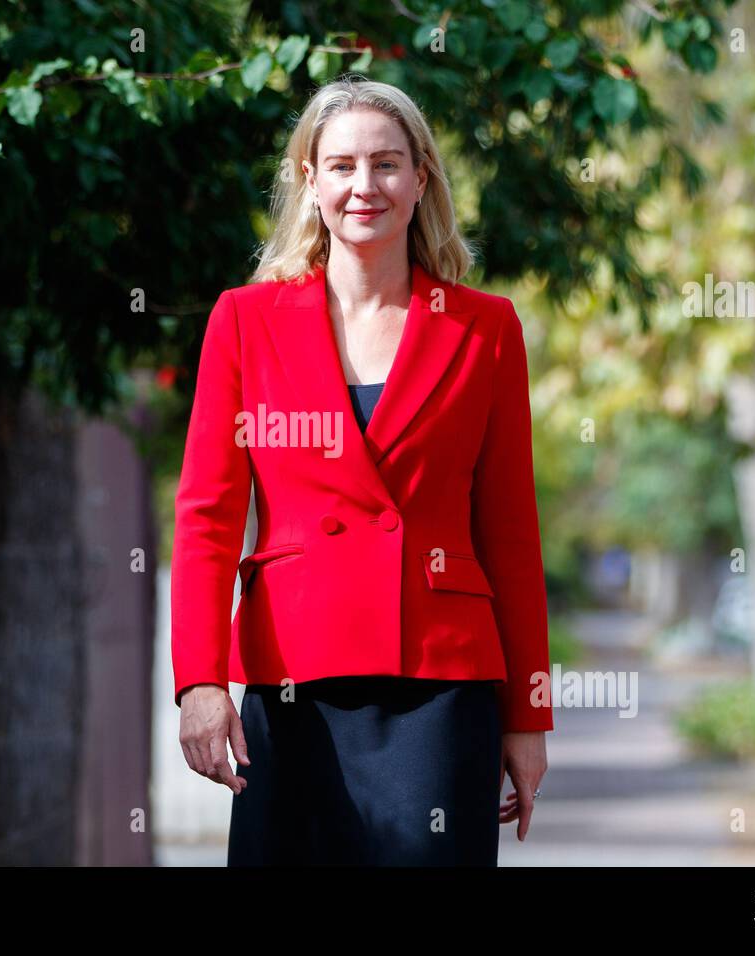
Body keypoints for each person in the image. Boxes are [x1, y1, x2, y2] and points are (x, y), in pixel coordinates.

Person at [171, 75, 552, 866]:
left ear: (422, 179)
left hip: (441, 684)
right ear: (310, 181)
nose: (364, 186)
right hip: (291, 678)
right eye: (341, 166)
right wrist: (200, 683)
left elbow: (510, 533)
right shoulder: (244, 321)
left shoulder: (486, 329)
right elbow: (207, 517)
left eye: (386, 164)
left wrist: (527, 717)